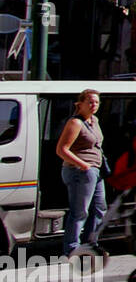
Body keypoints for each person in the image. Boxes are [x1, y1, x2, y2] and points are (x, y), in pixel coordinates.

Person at [55, 89, 108, 259]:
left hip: (95, 171)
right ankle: (72, 249)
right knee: (80, 212)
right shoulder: (75, 123)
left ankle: (90, 244)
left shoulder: (95, 120)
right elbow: (61, 150)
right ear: (81, 104)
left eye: (97, 102)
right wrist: (82, 164)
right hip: (79, 171)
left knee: (100, 208)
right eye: (90, 102)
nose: (94, 105)